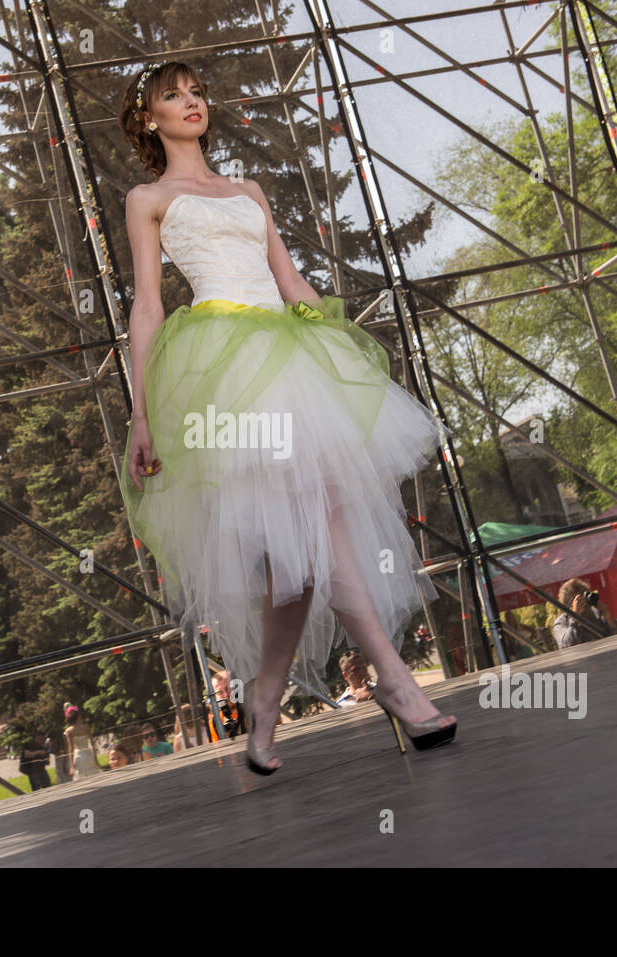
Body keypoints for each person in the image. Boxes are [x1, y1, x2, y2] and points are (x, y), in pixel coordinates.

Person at [116, 61, 456, 776]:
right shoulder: (147, 197)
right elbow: (148, 307)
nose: (190, 103)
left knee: (301, 562)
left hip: (290, 358)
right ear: (150, 119)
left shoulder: (248, 190)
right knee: (320, 531)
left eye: (196, 91)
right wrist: (141, 414)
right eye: (172, 97)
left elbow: (288, 278)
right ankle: (395, 683)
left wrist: (331, 335)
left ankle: (264, 708)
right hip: (227, 372)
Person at [552, 578, 617, 650]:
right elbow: (566, 645)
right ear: (568, 604)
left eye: (584, 597)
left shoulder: (597, 614)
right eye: (578, 600)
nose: (583, 603)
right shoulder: (562, 621)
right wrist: (575, 617)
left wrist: (608, 616)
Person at [206, 670, 247, 740]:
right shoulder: (215, 723)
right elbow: (217, 750)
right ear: (215, 697)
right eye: (219, 692)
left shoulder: (256, 709)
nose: (226, 695)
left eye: (228, 688)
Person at [64, 705, 101, 780]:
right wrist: (96, 761)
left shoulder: (69, 731)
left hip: (78, 756)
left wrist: (71, 766)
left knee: (81, 778)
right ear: (78, 716)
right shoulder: (86, 727)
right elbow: (93, 745)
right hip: (88, 754)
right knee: (94, 777)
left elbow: (71, 749)